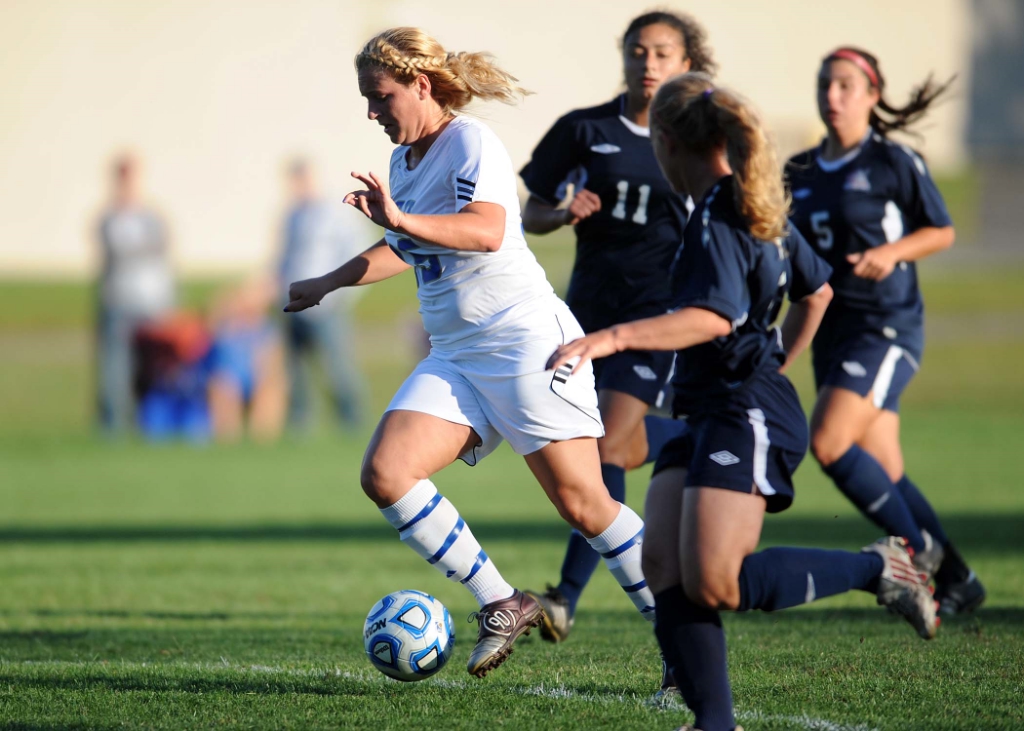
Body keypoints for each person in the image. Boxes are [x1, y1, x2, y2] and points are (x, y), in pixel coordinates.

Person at [547, 73, 939, 731]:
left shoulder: (725, 214)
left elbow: (713, 317)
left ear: (668, 141)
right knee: (662, 562)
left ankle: (880, 566)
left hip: (743, 411)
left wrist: (609, 338)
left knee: (717, 582)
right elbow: (817, 293)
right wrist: (779, 357)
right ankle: (714, 720)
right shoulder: (746, 201)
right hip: (712, 406)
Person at [284, 27, 656, 679]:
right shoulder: (402, 162)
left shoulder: (471, 143)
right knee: (387, 472)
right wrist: (329, 281)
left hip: (523, 341)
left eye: (380, 96)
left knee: (585, 505)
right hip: (457, 354)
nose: (372, 112)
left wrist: (400, 220)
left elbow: (486, 231)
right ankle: (502, 600)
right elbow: (407, 247)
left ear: (420, 86)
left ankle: (684, 647)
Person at [519, 10, 714, 648]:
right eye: (639, 51)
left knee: (602, 448)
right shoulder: (586, 129)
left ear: (687, 62)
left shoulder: (700, 138)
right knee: (615, 449)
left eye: (663, 52)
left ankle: (565, 598)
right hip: (583, 315)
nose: (649, 63)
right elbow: (530, 214)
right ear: (623, 56)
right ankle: (689, 436)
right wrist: (561, 210)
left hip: (656, 316)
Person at [786, 47, 984, 615]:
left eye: (848, 85)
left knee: (828, 441)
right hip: (832, 330)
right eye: (827, 84)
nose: (834, 95)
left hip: (886, 327)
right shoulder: (797, 171)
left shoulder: (891, 161)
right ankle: (961, 581)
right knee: (887, 472)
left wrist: (892, 252)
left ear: (873, 95)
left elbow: (940, 230)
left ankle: (918, 555)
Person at [278, 159, 368, 431]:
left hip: (328, 304)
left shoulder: (335, 213)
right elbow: (285, 258)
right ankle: (300, 423)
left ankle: (352, 422)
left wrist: (340, 296)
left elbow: (358, 253)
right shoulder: (293, 215)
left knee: (338, 367)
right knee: (297, 370)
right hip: (294, 303)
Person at [96, 153, 176, 434]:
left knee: (154, 369)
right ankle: (112, 426)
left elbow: (162, 250)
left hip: (152, 302)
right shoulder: (109, 219)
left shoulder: (152, 217)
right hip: (119, 300)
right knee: (115, 369)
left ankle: (151, 424)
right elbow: (118, 254)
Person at [207, 282, 288, 444]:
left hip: (259, 378)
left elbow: (273, 362)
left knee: (271, 389)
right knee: (223, 388)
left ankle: (262, 444)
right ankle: (228, 443)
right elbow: (211, 319)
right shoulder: (225, 324)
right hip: (228, 379)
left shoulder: (268, 327)